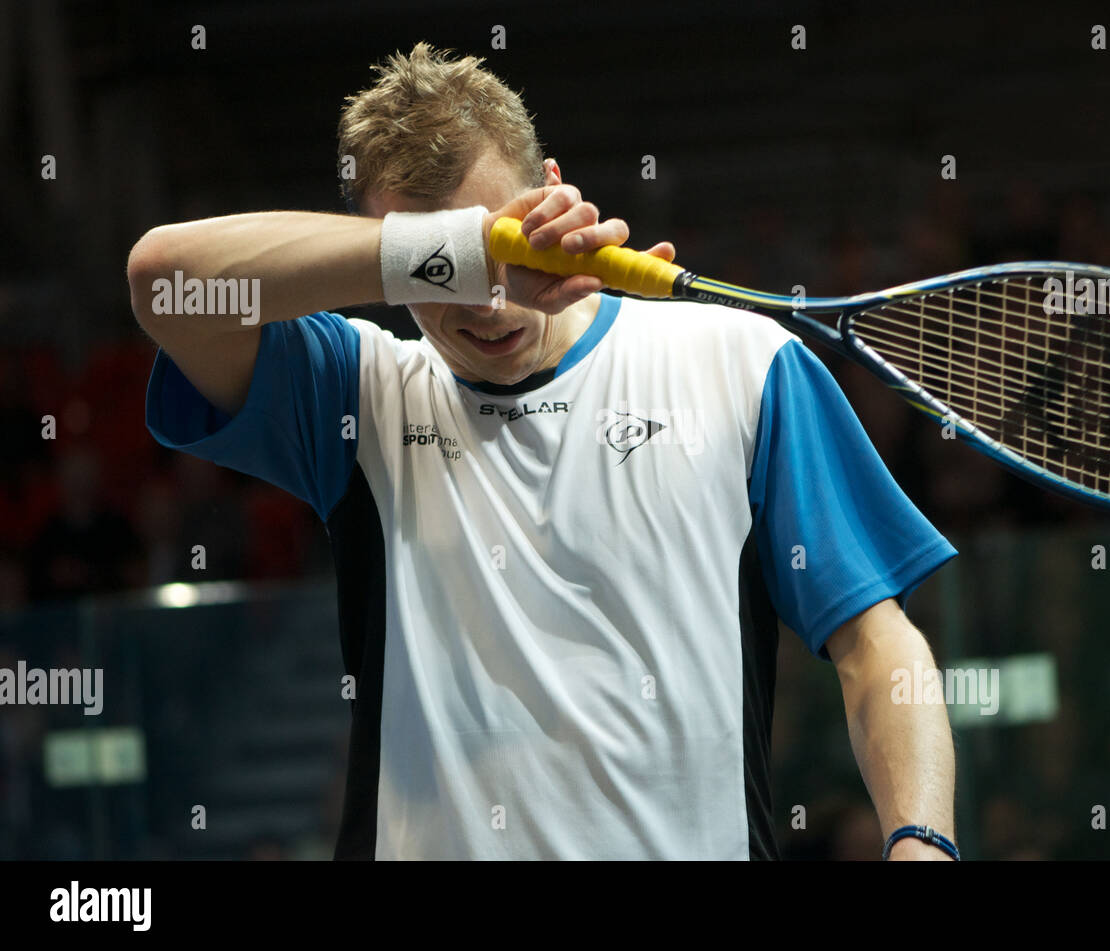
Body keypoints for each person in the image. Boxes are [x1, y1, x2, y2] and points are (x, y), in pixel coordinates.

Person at [127, 43, 959, 860]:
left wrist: (921, 841)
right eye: (441, 272)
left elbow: (878, 644)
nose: (486, 305)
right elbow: (163, 279)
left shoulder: (744, 366)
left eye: (509, 245)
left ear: (554, 191)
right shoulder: (357, 394)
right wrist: (459, 248)